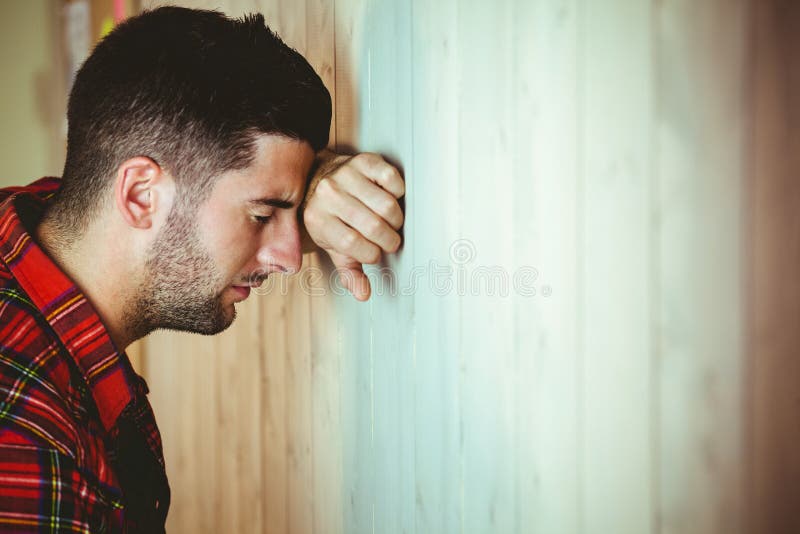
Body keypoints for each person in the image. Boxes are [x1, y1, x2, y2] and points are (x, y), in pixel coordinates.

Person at [0, 6, 404, 532]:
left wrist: (310, 185)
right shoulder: (25, 446)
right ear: (142, 196)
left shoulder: (44, 225)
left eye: (290, 209)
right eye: (262, 214)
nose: (287, 258)